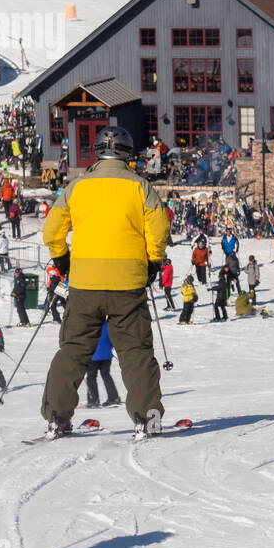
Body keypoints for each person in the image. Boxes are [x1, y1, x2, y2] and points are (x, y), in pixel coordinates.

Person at [40, 126, 170, 439]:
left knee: (73, 350)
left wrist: (62, 259)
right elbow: (159, 230)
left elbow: (52, 231)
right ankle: (147, 416)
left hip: (85, 283)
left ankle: (57, 416)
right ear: (128, 153)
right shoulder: (141, 187)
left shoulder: (77, 186)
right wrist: (153, 262)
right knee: (136, 352)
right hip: (128, 283)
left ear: (97, 151)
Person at [85, 321, 122, 408]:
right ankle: (114, 397)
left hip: (93, 355)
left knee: (91, 376)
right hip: (107, 354)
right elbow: (113, 338)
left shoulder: (90, 324)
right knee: (106, 375)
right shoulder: (108, 324)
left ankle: (93, 400)